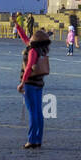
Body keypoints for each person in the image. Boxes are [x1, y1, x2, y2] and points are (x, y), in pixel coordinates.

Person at [14, 20, 48, 149]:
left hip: (30, 83)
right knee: (38, 112)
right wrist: (18, 27)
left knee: (32, 112)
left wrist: (22, 82)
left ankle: (31, 139)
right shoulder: (41, 49)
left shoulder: (33, 51)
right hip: (39, 83)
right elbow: (24, 38)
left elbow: (28, 67)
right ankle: (38, 139)